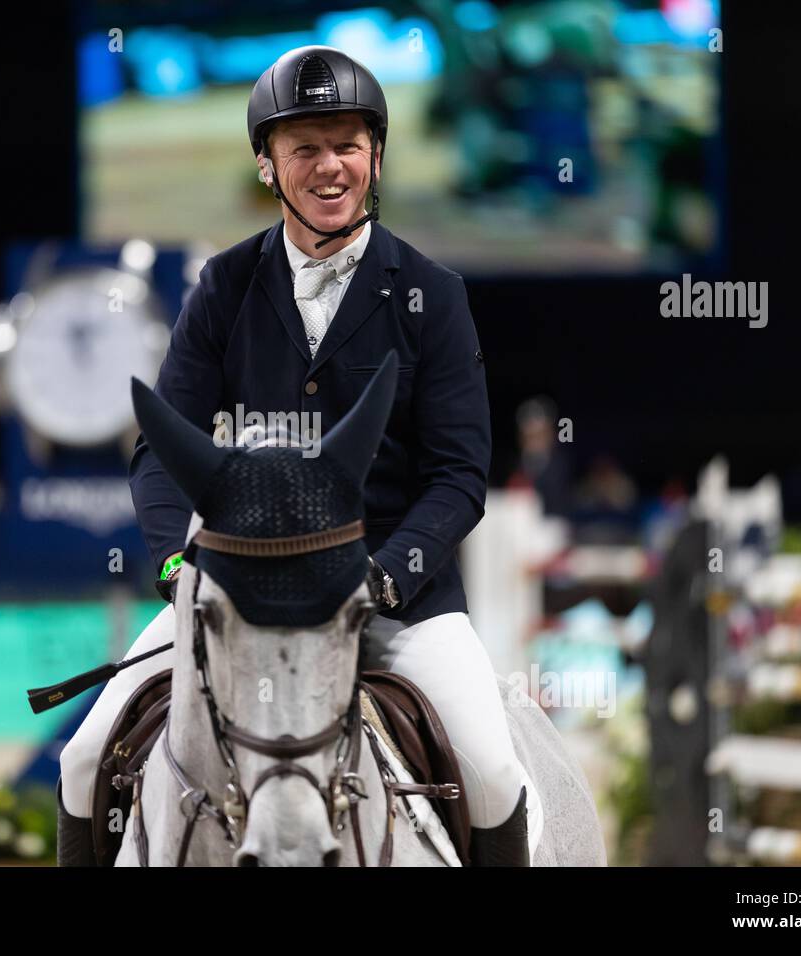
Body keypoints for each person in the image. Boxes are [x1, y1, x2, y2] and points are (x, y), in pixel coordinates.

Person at [57, 45, 535, 866]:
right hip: (235, 591)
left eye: (347, 143)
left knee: (491, 771)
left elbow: (458, 474)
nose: (329, 167)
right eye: (303, 147)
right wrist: (179, 571)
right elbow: (162, 453)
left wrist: (384, 576)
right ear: (268, 163)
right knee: (83, 757)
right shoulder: (224, 288)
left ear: (375, 154)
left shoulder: (434, 295)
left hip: (392, 600)